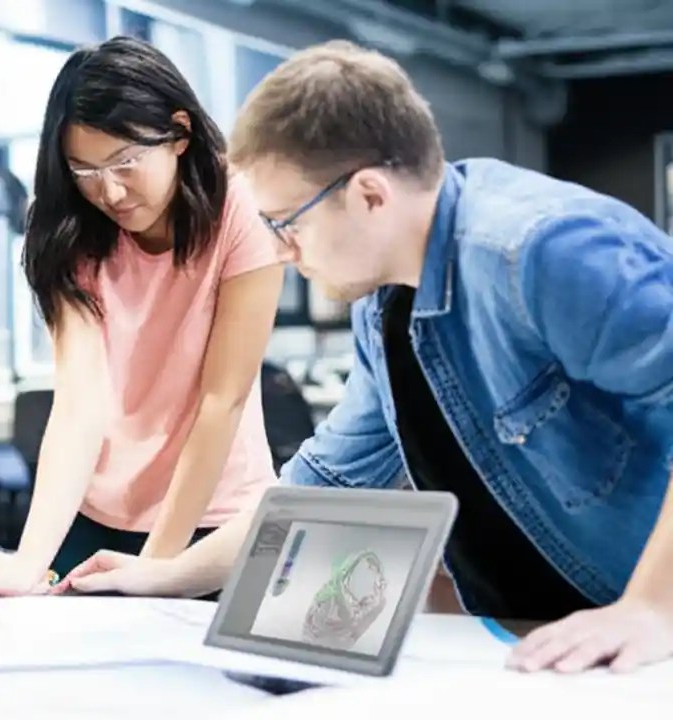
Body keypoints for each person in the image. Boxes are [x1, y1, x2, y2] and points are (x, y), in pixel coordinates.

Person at [51, 40, 673, 674]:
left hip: (645, 637)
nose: (284, 251)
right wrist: (166, 575)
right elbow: (322, 487)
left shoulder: (537, 250)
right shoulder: (384, 313)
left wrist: (656, 607)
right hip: (551, 640)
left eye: (286, 222)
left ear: (370, 195)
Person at [0, 36, 284, 600]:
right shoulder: (67, 230)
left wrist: (158, 568)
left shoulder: (239, 208)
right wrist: (29, 563)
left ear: (178, 133)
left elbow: (222, 400)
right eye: (85, 169)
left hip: (215, 522)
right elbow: (80, 406)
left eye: (125, 162)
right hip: (96, 516)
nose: (110, 191)